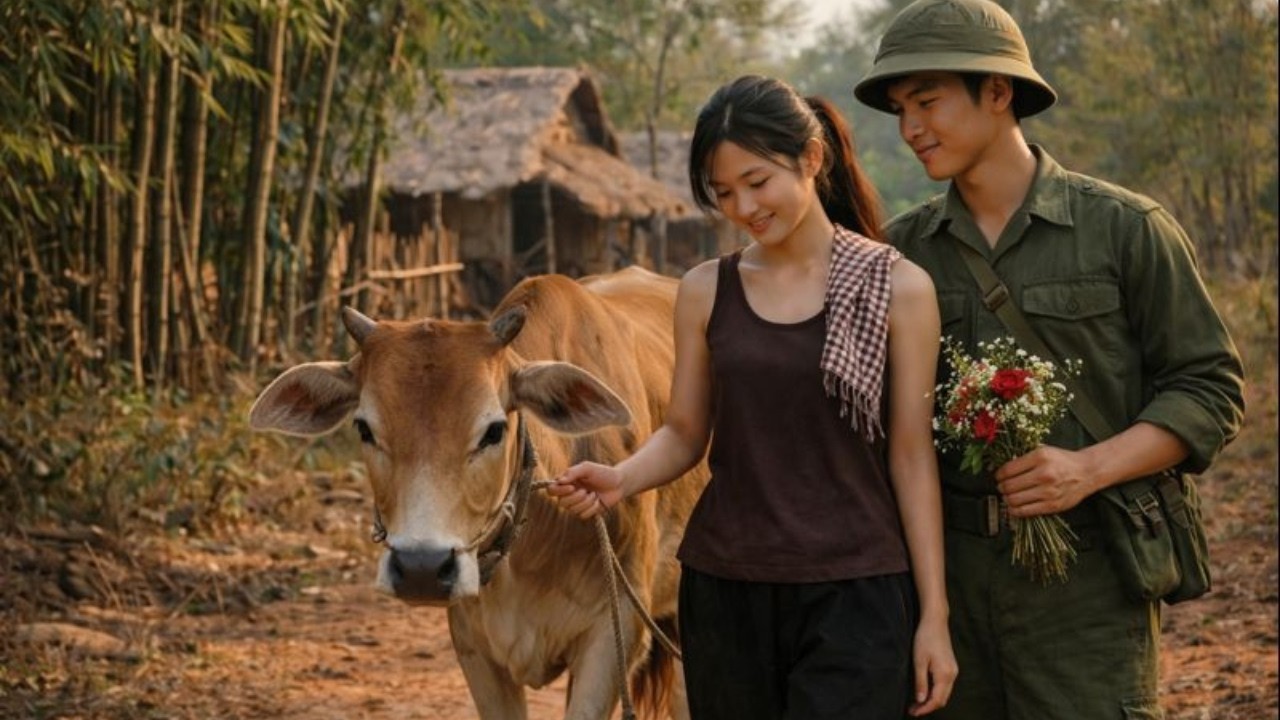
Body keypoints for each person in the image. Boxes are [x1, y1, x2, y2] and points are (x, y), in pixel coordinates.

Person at [852, 1, 1247, 718]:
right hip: (950, 585)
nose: (910, 128)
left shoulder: (1125, 230)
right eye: (900, 108)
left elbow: (1209, 386)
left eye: (929, 101)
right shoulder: (900, 253)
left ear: (998, 92)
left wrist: (1088, 468)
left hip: (1091, 582)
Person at [547, 74, 956, 719]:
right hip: (726, 590)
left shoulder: (899, 289)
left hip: (856, 594)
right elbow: (685, 433)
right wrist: (620, 478)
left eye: (758, 182)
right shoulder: (707, 289)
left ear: (812, 159)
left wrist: (934, 615)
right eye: (723, 193)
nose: (744, 207)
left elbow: (911, 459)